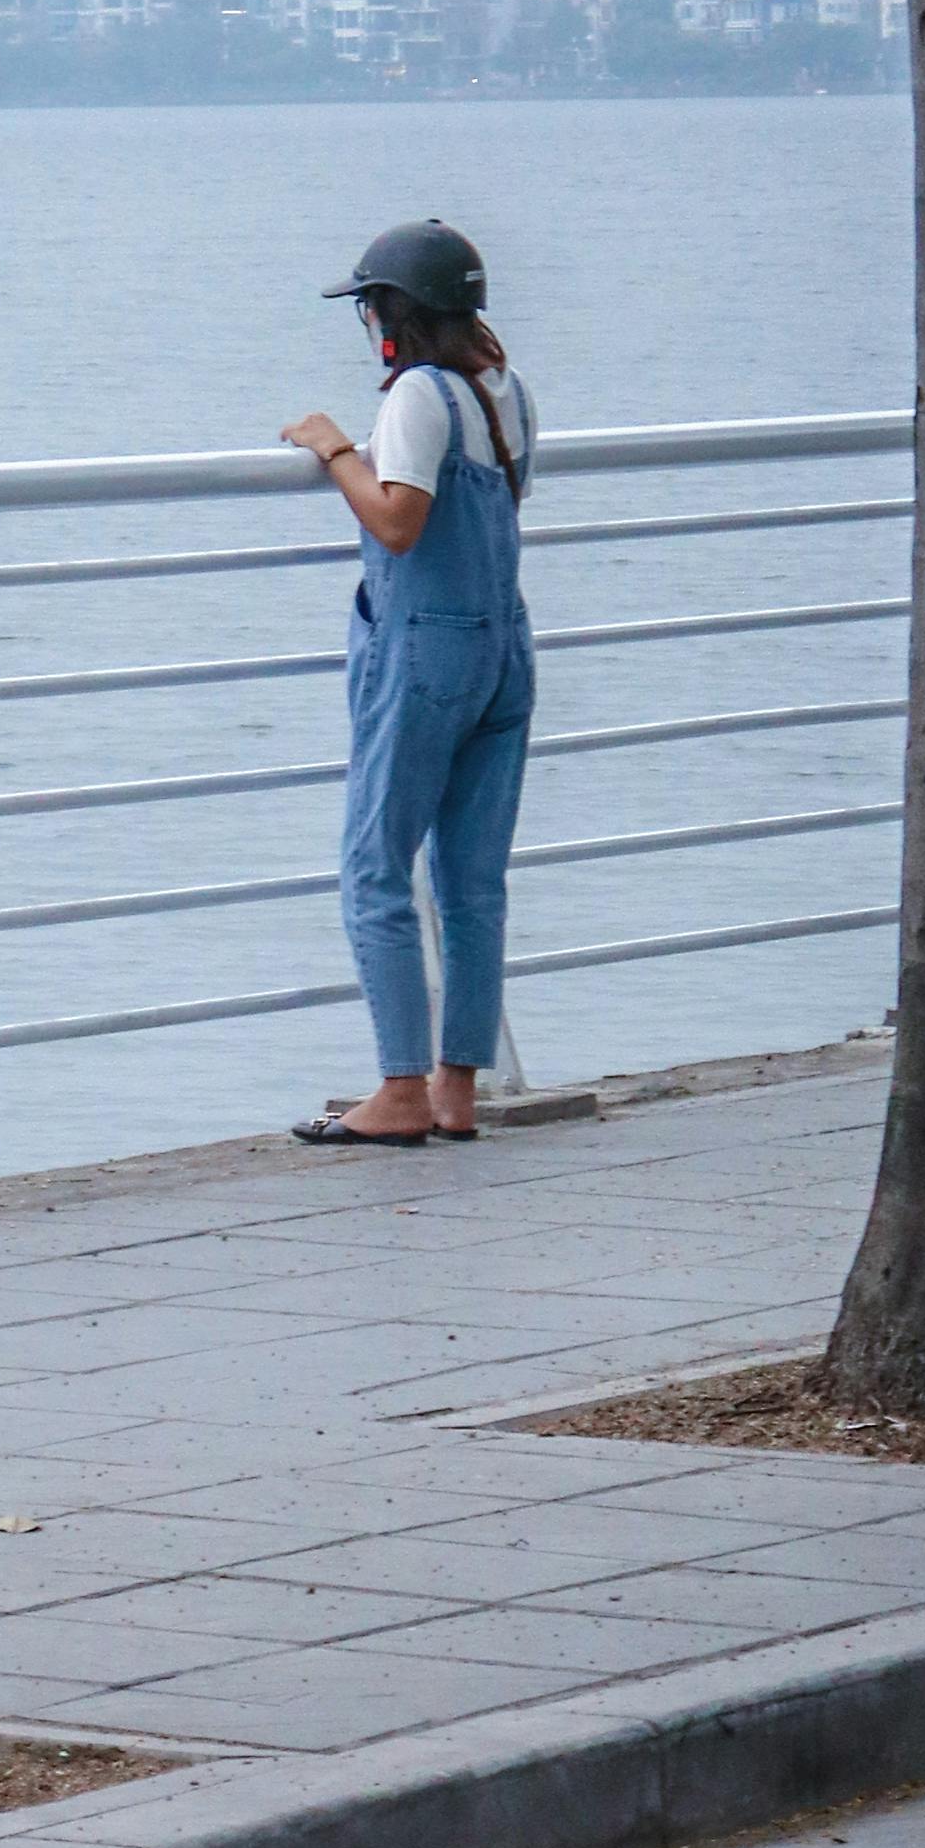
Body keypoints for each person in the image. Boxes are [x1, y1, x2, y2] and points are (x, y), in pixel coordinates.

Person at [281, 217, 538, 1149]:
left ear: (394, 314)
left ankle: (398, 1089)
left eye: (369, 309)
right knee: (471, 879)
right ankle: (455, 1087)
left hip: (425, 651)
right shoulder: (507, 392)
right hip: (504, 647)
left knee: (375, 867)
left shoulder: (418, 396)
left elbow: (398, 524)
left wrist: (335, 450)